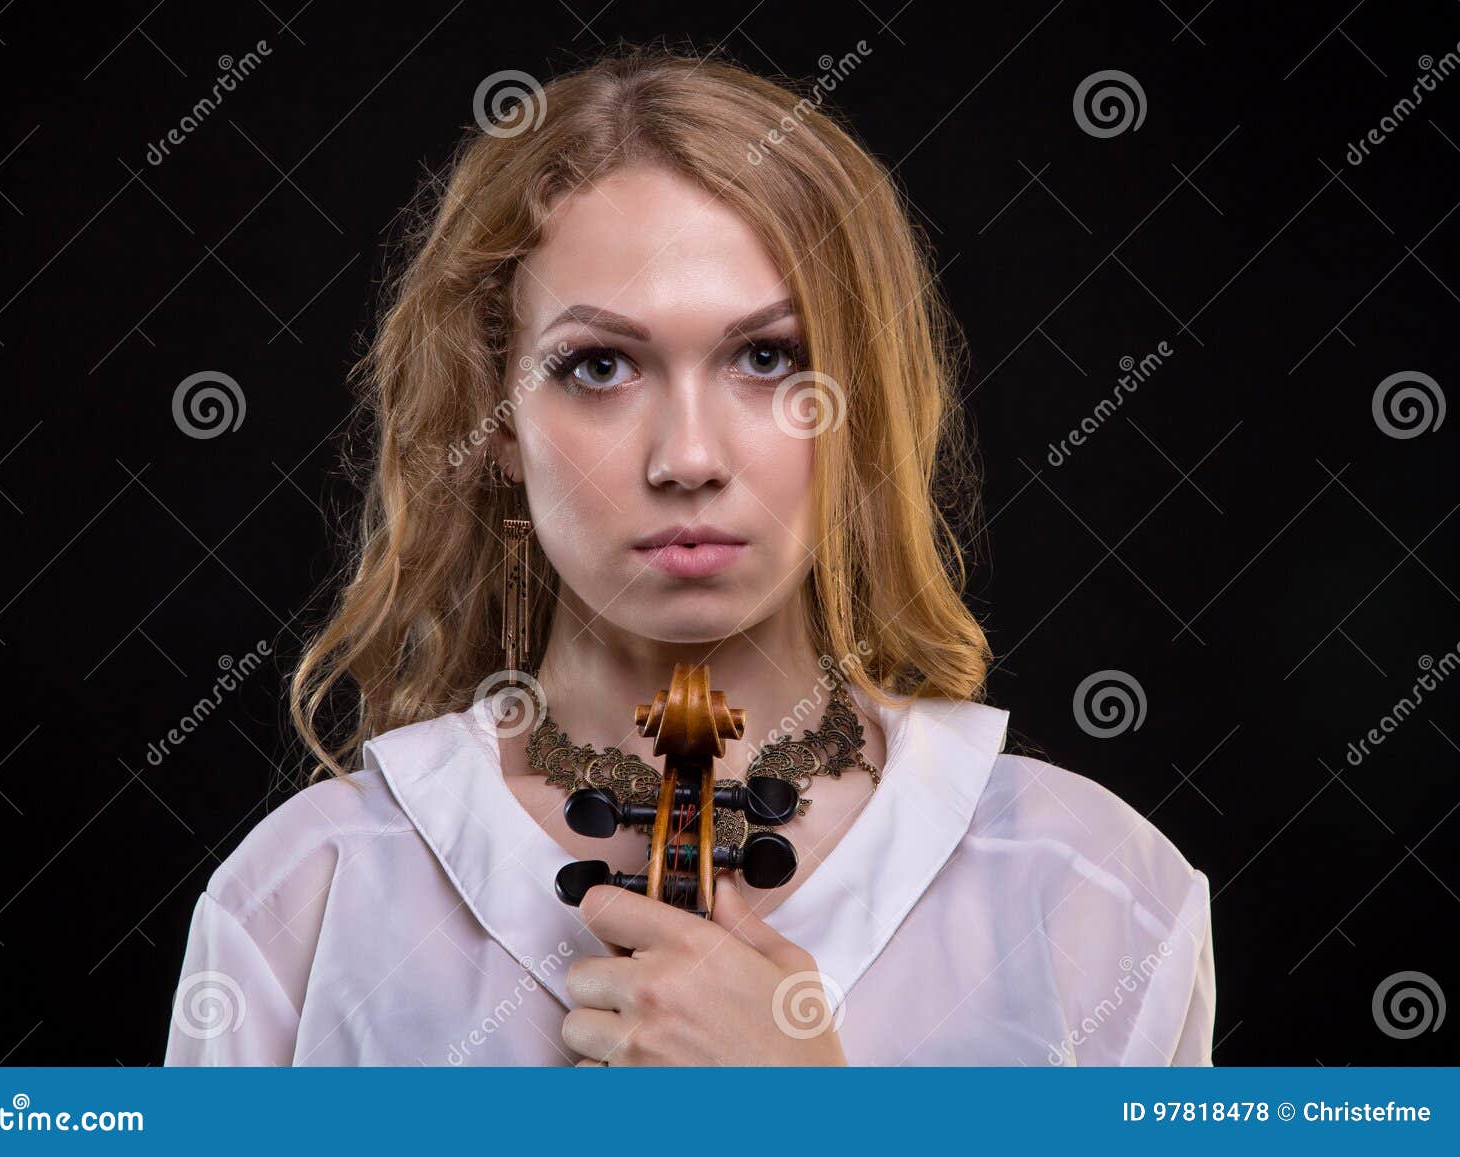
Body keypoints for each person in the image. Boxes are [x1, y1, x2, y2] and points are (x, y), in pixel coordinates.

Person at [164, 46, 1214, 1067]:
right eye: (600, 365)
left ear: (861, 405)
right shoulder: (305, 895)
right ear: (491, 419)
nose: (690, 457)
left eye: (768, 357)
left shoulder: (1093, 889)